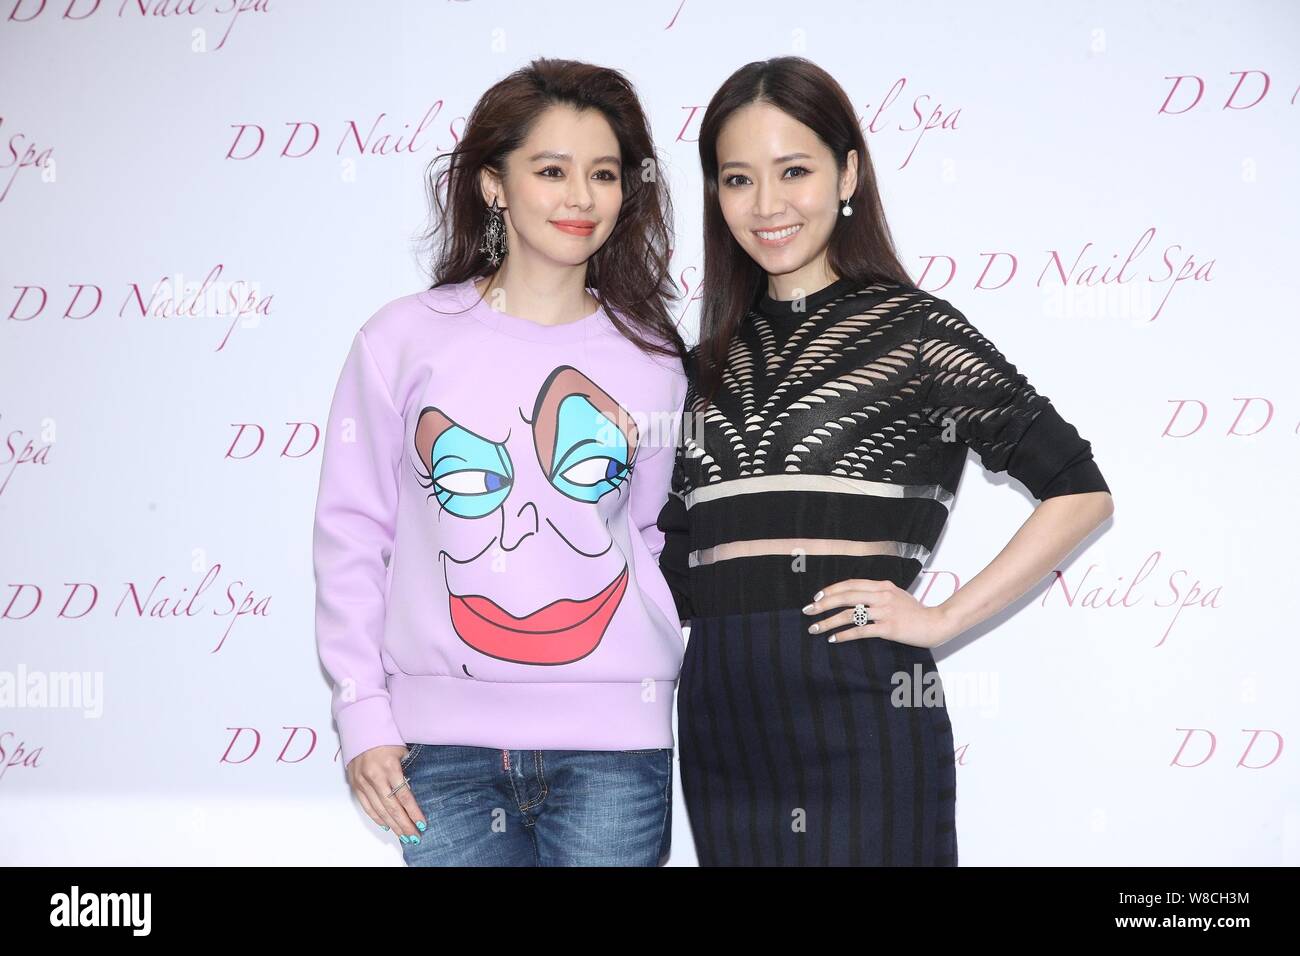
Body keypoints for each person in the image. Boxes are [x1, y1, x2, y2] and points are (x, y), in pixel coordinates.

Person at [656, 56, 1115, 866]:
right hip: (721, 720)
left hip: (861, 709)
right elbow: (670, 569)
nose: (766, 205)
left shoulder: (915, 333)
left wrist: (941, 619)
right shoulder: (700, 367)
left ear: (848, 172)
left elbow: (1079, 492)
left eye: (793, 170)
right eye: (737, 179)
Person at [313, 58, 688, 866]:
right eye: (550, 171)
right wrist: (363, 716)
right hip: (439, 754)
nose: (580, 198)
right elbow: (352, 537)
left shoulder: (655, 359)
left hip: (614, 748)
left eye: (602, 174)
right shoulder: (401, 341)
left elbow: (654, 535)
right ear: (493, 184)